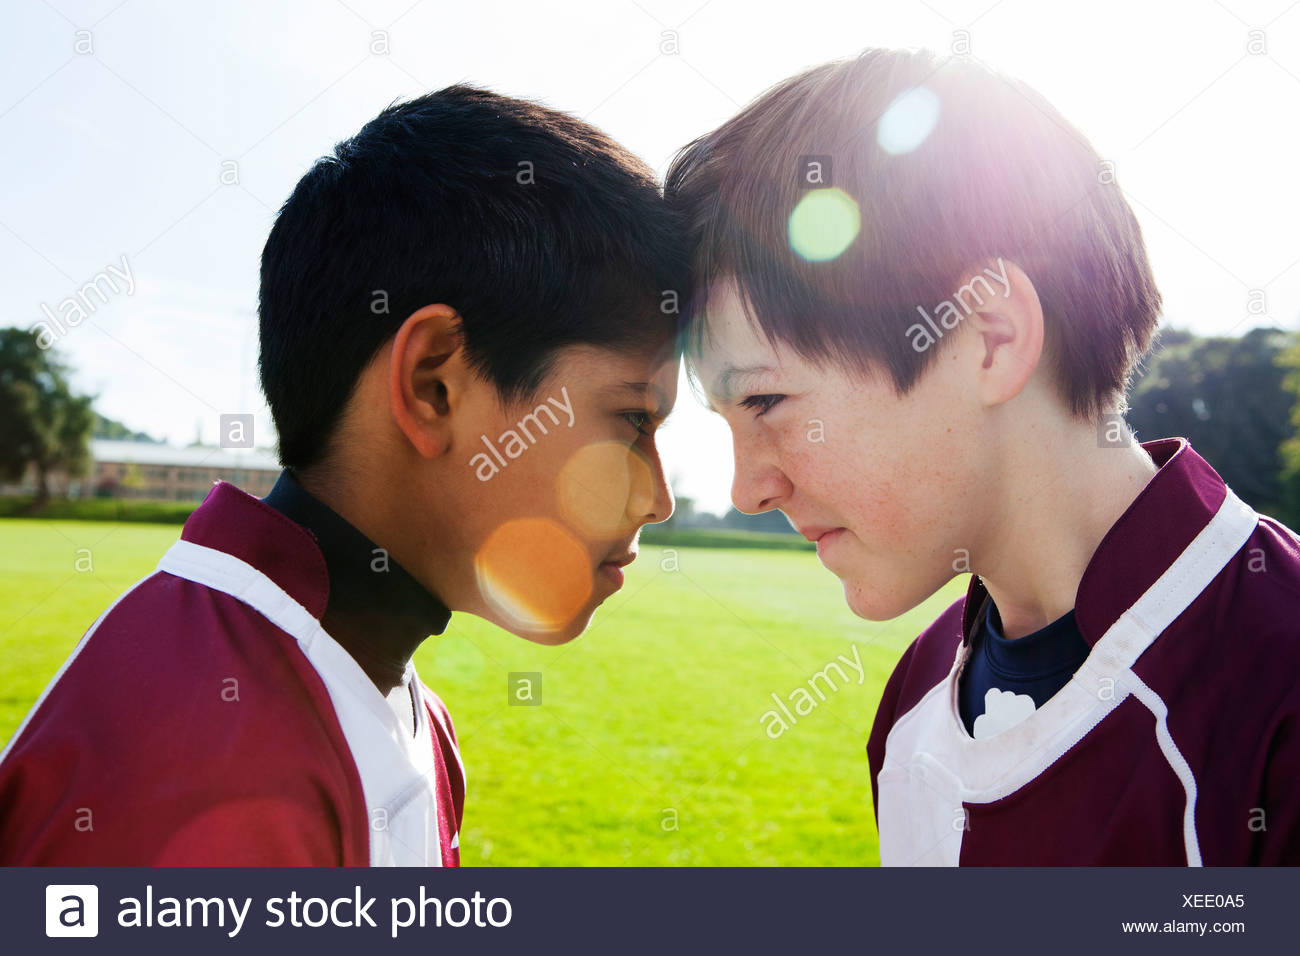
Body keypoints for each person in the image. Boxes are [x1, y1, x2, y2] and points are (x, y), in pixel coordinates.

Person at [0, 85, 682, 865]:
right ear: (433, 385)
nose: (658, 496)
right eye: (633, 420)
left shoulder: (383, 696)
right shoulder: (212, 773)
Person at [665, 49, 1300, 865]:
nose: (747, 488)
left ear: (990, 338)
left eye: (765, 402)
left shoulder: (1272, 694)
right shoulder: (915, 701)